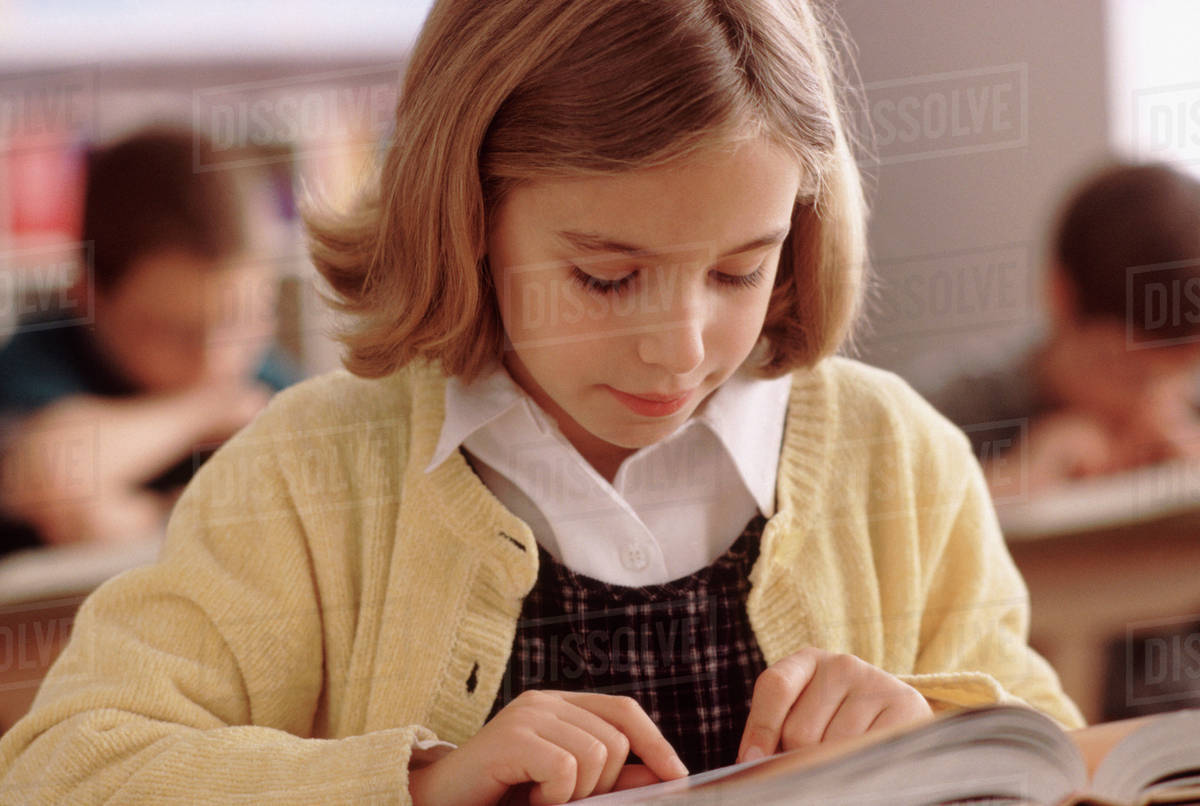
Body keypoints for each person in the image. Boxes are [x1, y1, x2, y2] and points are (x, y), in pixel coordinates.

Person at [0, 1, 1082, 803]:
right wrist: (414, 782)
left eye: (741, 269)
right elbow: (60, 768)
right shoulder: (312, 472)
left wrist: (936, 737)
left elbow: (1053, 746)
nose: (682, 346)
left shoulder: (894, 455)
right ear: (467, 212)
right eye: (607, 277)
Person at [0, 127, 301, 554]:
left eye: (245, 319)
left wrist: (147, 518)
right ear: (87, 295)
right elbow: (52, 475)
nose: (216, 361)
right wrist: (205, 408)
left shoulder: (271, 377)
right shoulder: (35, 361)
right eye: (173, 331)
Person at [922, 162, 1200, 496]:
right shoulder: (952, 412)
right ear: (1061, 296)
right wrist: (1025, 476)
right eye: (1130, 374)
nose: (1151, 402)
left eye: (1181, 373)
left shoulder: (1186, 411)